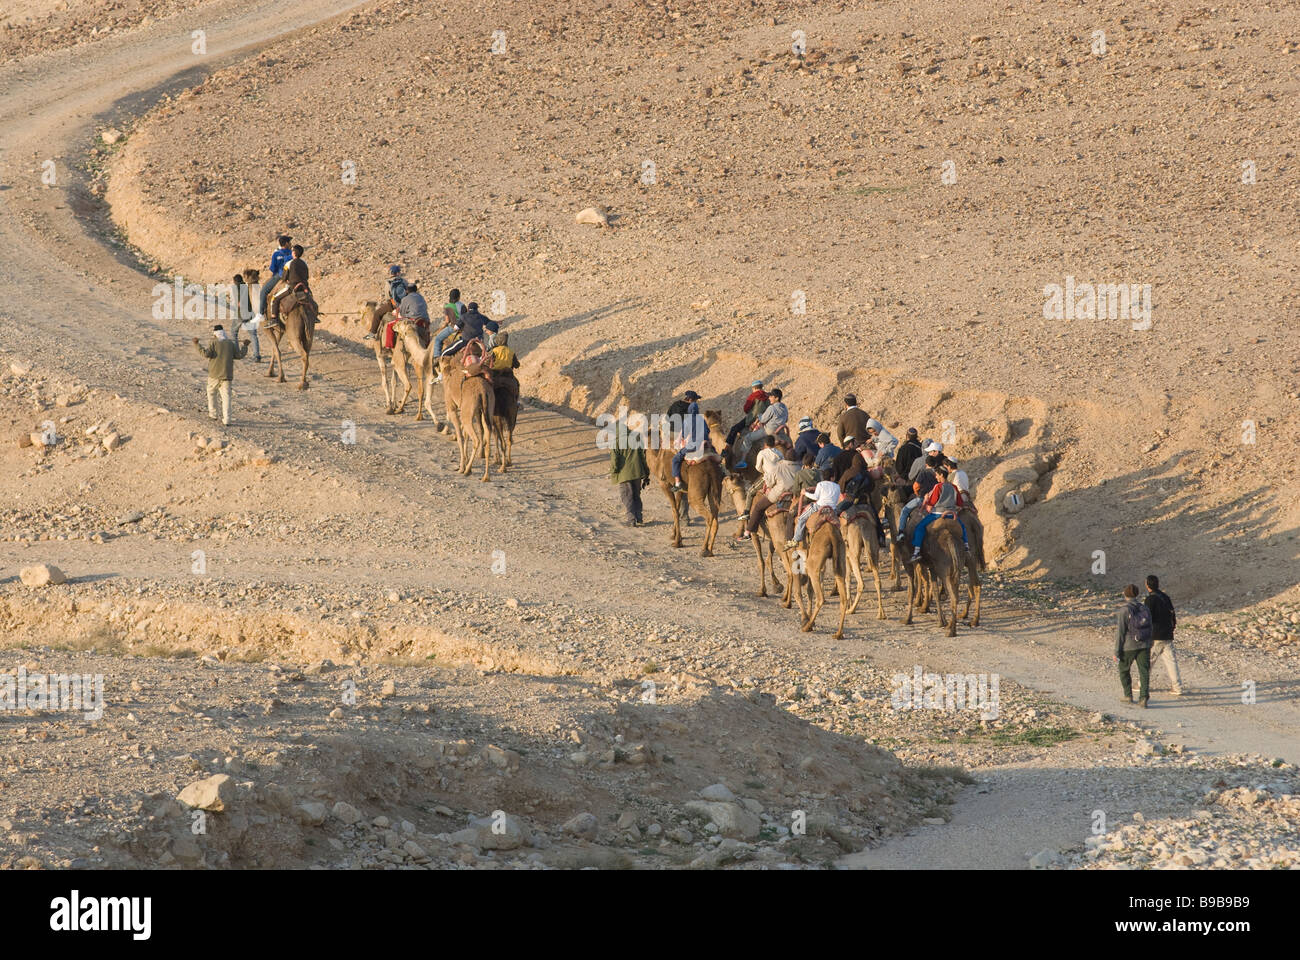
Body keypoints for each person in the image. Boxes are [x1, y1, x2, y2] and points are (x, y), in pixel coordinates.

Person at [738, 437, 800, 539]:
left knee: (757, 503)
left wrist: (767, 483)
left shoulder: (774, 463)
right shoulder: (799, 466)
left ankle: (748, 529)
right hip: (794, 494)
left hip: (772, 482)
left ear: (765, 444)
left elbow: (760, 470)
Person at [193, 325, 248, 427]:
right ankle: (227, 420)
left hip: (214, 375)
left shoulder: (213, 342)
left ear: (215, 334)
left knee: (211, 393)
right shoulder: (230, 343)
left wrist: (197, 344)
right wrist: (245, 346)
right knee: (226, 398)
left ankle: (213, 414)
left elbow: (206, 354)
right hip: (227, 376)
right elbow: (239, 355)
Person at [909, 465, 966, 562]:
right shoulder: (954, 487)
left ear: (941, 475)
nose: (936, 477)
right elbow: (960, 503)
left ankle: (917, 551)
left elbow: (932, 502)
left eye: (936, 475)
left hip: (938, 514)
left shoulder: (938, 486)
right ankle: (966, 546)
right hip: (952, 514)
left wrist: (926, 500)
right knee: (963, 527)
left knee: (920, 527)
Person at [1116, 584, 1154, 707]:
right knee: (1144, 671)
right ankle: (1143, 698)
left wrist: (1117, 650)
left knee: (1124, 670)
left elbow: (1120, 632)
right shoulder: (1145, 608)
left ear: (1125, 594)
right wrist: (1150, 642)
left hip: (1129, 646)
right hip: (1144, 644)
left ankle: (1128, 695)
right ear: (1137, 594)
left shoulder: (1124, 610)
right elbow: (1150, 626)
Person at [1144, 575, 1183, 696]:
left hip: (1156, 635)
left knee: (1148, 661)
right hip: (1168, 634)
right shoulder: (1165, 597)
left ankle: (1142, 684)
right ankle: (1177, 687)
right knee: (1171, 661)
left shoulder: (1150, 600)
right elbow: (1173, 614)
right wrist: (1172, 628)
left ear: (1147, 585)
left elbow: (1147, 618)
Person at [610, 415, 650, 527]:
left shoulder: (616, 441)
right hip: (638, 471)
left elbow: (614, 460)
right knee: (636, 495)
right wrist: (646, 472)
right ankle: (639, 517)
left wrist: (614, 471)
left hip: (624, 473)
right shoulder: (636, 437)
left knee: (627, 496)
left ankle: (631, 519)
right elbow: (643, 456)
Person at [735, 388, 787, 469]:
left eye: (771, 396)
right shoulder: (784, 407)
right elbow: (786, 419)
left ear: (776, 398)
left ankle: (742, 461)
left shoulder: (772, 408)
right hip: (781, 430)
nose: (769, 398)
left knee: (748, 438)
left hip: (768, 431)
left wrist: (759, 415)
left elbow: (763, 419)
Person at [786, 475, 841, 548]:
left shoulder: (820, 484)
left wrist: (804, 493)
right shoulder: (837, 486)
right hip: (832, 509)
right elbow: (837, 500)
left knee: (801, 519)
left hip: (818, 507)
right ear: (832, 477)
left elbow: (815, 497)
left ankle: (796, 540)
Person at [670, 391, 707, 493]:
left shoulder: (685, 418)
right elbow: (707, 431)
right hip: (702, 444)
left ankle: (677, 483)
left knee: (675, 459)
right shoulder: (701, 419)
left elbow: (683, 435)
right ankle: (723, 471)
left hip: (690, 444)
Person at [267, 244, 309, 330]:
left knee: (275, 299)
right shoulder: (304, 263)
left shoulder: (289, 263)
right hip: (304, 287)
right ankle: (314, 316)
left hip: (292, 288)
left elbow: (284, 277)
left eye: (292, 251)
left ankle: (274, 319)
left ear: (294, 253)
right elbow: (307, 276)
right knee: (311, 298)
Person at [253, 234, 292, 323]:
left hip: (280, 276)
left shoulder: (276, 254)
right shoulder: (293, 253)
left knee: (264, 291)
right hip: (293, 276)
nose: (291, 244)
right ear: (286, 243)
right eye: (289, 242)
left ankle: (261, 314)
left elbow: (273, 268)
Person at [364, 265, 409, 341]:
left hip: (392, 305)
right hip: (405, 305)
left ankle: (372, 334)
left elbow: (387, 296)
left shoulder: (388, 282)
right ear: (398, 272)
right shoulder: (404, 281)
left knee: (377, 314)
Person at [726, 380, 769, 449]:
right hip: (765, 419)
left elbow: (746, 409)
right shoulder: (768, 396)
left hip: (752, 419)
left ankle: (727, 448)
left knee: (734, 429)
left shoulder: (753, 396)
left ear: (754, 388)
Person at [231, 270, 261, 362]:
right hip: (250, 314)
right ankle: (257, 356)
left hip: (240, 315)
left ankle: (236, 352)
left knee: (234, 333)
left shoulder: (236, 288)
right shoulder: (247, 286)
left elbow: (238, 303)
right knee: (253, 335)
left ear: (235, 281)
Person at [432, 288, 465, 358]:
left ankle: (436, 357)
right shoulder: (462, 305)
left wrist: (443, 327)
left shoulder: (447, 306)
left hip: (453, 328)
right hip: (464, 328)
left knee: (438, 339)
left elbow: (447, 321)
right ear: (459, 297)